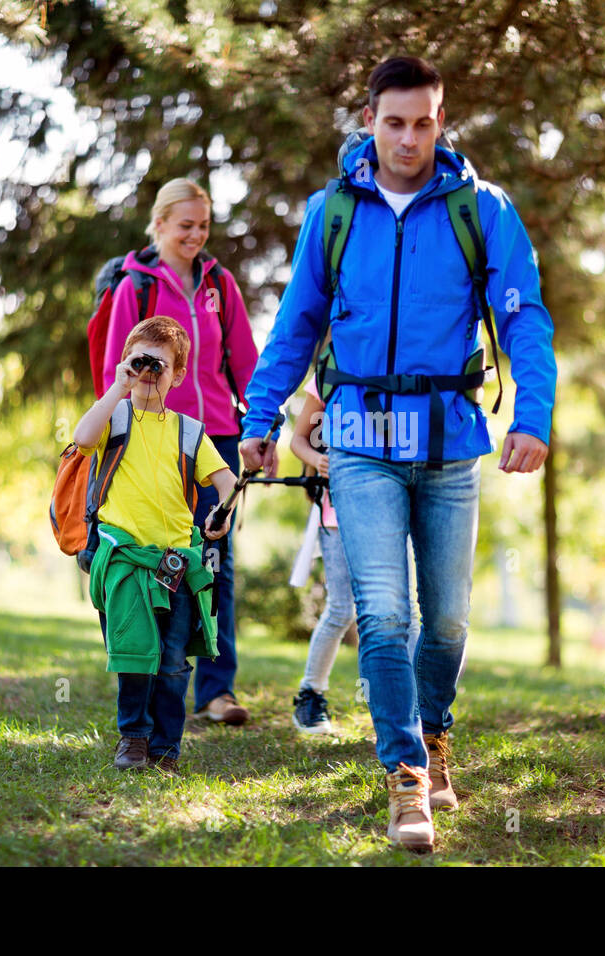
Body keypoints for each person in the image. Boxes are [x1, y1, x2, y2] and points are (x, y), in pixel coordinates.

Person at [238, 56, 556, 851]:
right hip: (359, 441)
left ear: (440, 122)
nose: (409, 138)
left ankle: (437, 729)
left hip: (450, 443)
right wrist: (261, 413)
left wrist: (533, 413)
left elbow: (525, 319)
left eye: (423, 122)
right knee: (384, 616)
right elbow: (297, 322)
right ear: (370, 121)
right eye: (394, 122)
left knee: (445, 622)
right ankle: (406, 777)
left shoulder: (482, 210)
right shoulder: (334, 211)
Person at [101, 178, 259, 727]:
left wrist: (260, 428)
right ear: (161, 224)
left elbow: (245, 360)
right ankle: (150, 681)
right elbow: (113, 371)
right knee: (153, 561)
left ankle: (217, 691)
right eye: (185, 225)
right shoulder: (135, 289)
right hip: (153, 439)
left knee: (214, 562)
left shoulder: (220, 285)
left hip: (215, 437)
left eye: (204, 226)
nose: (196, 235)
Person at [75, 315, 237, 772]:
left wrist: (222, 511)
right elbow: (83, 439)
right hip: (125, 559)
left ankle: (166, 747)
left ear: (179, 375)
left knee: (171, 663)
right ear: (125, 362)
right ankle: (133, 738)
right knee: (134, 654)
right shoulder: (115, 415)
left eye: (158, 365)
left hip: (175, 563)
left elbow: (225, 480)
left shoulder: (189, 431)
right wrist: (117, 386)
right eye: (139, 361)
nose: (148, 372)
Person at [287, 377, 421, 734]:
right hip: (337, 514)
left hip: (394, 511)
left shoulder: (406, 365)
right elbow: (298, 439)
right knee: (342, 609)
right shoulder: (327, 376)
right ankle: (310, 694)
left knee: (404, 612)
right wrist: (319, 460)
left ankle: (412, 706)